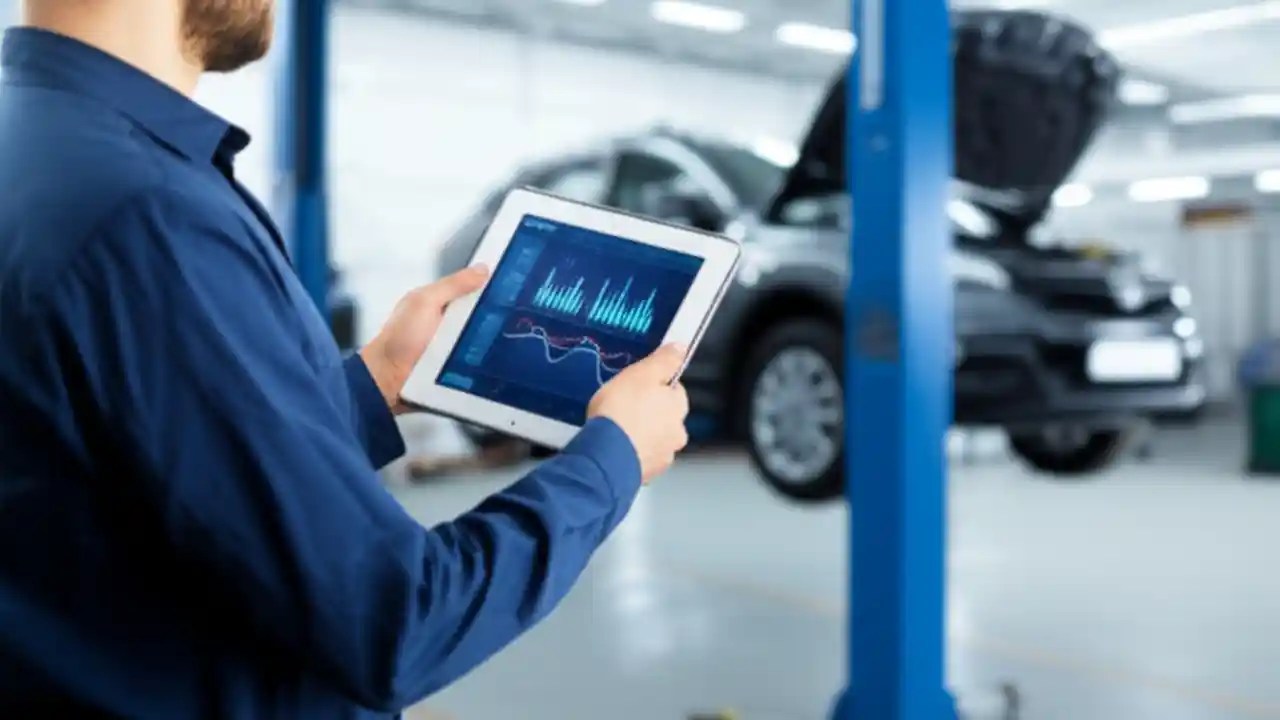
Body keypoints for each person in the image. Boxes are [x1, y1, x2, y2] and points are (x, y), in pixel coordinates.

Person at [0, 1, 690, 717]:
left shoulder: (37, 142)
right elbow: (392, 622)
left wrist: (375, 384)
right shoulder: (150, 211)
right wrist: (611, 462)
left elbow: (166, 466)